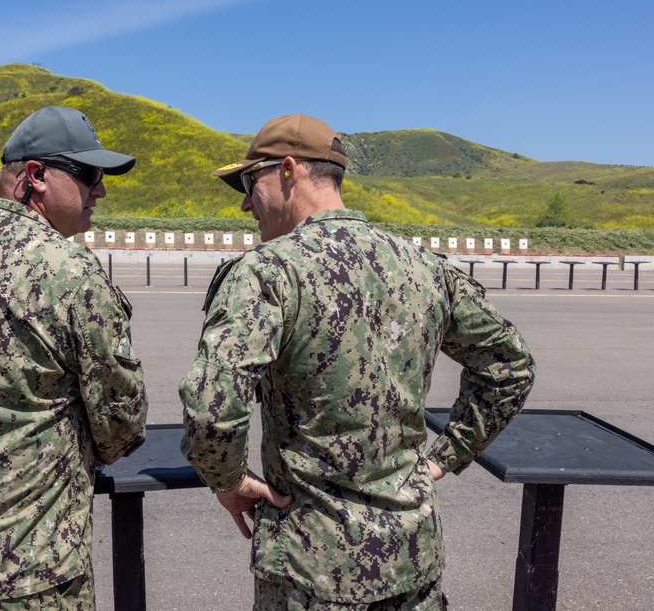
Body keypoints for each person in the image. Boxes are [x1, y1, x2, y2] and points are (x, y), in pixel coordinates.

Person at [178, 114, 535, 610]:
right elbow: (509, 366)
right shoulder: (423, 266)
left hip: (311, 571)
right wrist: (443, 459)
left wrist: (230, 482)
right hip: (412, 561)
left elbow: (212, 408)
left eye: (247, 182)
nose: (244, 203)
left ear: (287, 170)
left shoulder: (267, 271)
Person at [0, 105, 148, 610]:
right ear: (36, 176)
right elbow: (120, 423)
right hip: (29, 563)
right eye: (90, 175)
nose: (100, 191)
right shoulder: (68, 270)